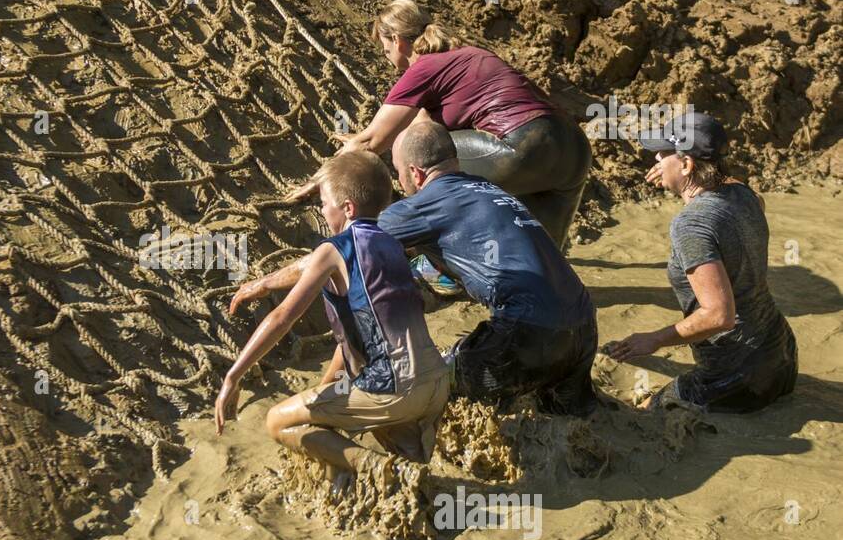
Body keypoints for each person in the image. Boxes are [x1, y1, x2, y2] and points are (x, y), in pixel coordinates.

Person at [234, 120, 599, 416]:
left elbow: (337, 254)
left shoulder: (425, 204)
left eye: (399, 174)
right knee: (565, 423)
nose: (400, 185)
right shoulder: (488, 189)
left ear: (415, 173)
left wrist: (266, 283)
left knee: (429, 394)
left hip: (528, 332)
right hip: (583, 327)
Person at [215, 152, 451, 487]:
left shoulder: (335, 249)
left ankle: (377, 469)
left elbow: (283, 316)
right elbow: (354, 337)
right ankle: (396, 472)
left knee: (278, 422)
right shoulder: (391, 245)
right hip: (434, 384)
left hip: (396, 389)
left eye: (325, 203)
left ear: (347, 208)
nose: (323, 211)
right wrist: (264, 283)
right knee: (408, 474)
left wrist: (232, 378)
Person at [290, 0, 591, 249]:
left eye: (385, 49)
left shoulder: (423, 68)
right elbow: (428, 123)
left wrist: (321, 179)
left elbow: (373, 143)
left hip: (520, 146)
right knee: (546, 257)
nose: (387, 58)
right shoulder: (468, 55)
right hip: (574, 150)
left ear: (397, 40)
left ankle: (431, 264)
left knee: (413, 152)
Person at [604, 112, 797, 413]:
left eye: (664, 152)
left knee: (644, 414)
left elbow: (719, 316)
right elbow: (743, 193)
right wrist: (680, 176)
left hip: (735, 377)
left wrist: (653, 340)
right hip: (783, 355)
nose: (655, 157)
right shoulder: (746, 195)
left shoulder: (690, 225)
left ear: (687, 163)